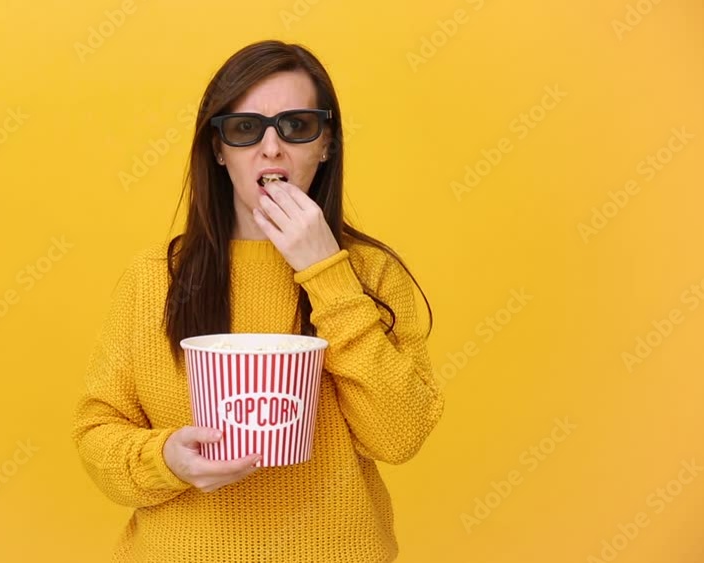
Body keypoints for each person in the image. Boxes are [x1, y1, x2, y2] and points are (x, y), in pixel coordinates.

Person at [72, 39, 445, 563]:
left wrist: (327, 273)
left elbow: (400, 436)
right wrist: (166, 460)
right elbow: (96, 431)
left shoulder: (371, 273)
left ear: (327, 144)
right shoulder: (154, 277)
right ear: (219, 150)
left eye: (296, 126)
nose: (271, 148)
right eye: (246, 128)